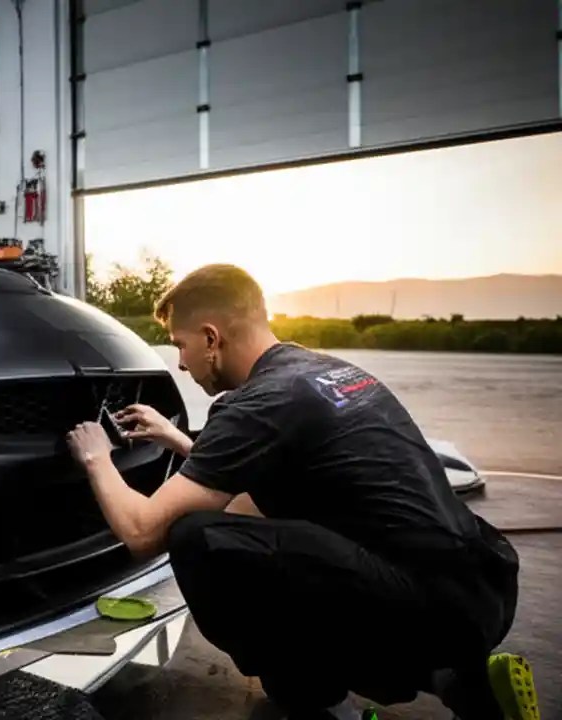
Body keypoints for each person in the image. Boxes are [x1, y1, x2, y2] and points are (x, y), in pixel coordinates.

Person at [64, 264, 533, 720]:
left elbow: (143, 531)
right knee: (258, 520)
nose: (182, 364)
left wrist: (96, 457)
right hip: (481, 585)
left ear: (211, 338)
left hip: (425, 609)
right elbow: (260, 483)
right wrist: (178, 440)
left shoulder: (258, 404)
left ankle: (322, 705)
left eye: (180, 346)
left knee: (197, 539)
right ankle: (464, 683)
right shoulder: (322, 371)